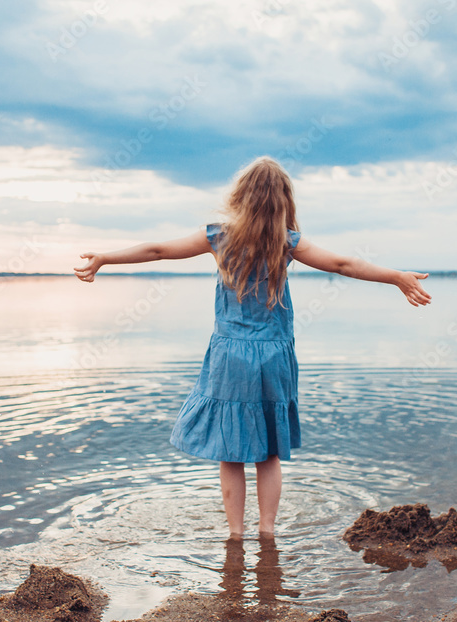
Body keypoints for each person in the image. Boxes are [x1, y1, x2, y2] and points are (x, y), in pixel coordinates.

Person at [74, 156, 431, 538]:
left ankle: (236, 534)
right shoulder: (287, 242)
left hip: (230, 356)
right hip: (275, 355)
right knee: (269, 452)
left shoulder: (218, 236)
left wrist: (106, 258)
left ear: (240, 196)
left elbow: (158, 251)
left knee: (231, 451)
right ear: (284, 203)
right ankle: (267, 530)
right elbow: (343, 264)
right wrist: (395, 277)